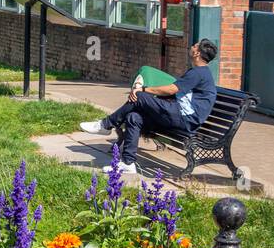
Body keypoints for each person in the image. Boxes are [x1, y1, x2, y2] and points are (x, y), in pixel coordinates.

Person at [78, 39, 220, 175]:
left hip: (184, 119)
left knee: (139, 97)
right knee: (134, 117)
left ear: (197, 54)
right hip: (178, 114)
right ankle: (128, 163)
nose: (192, 47)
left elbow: (172, 89)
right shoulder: (198, 72)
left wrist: (144, 90)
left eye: (195, 46)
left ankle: (105, 125)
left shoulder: (199, 73)